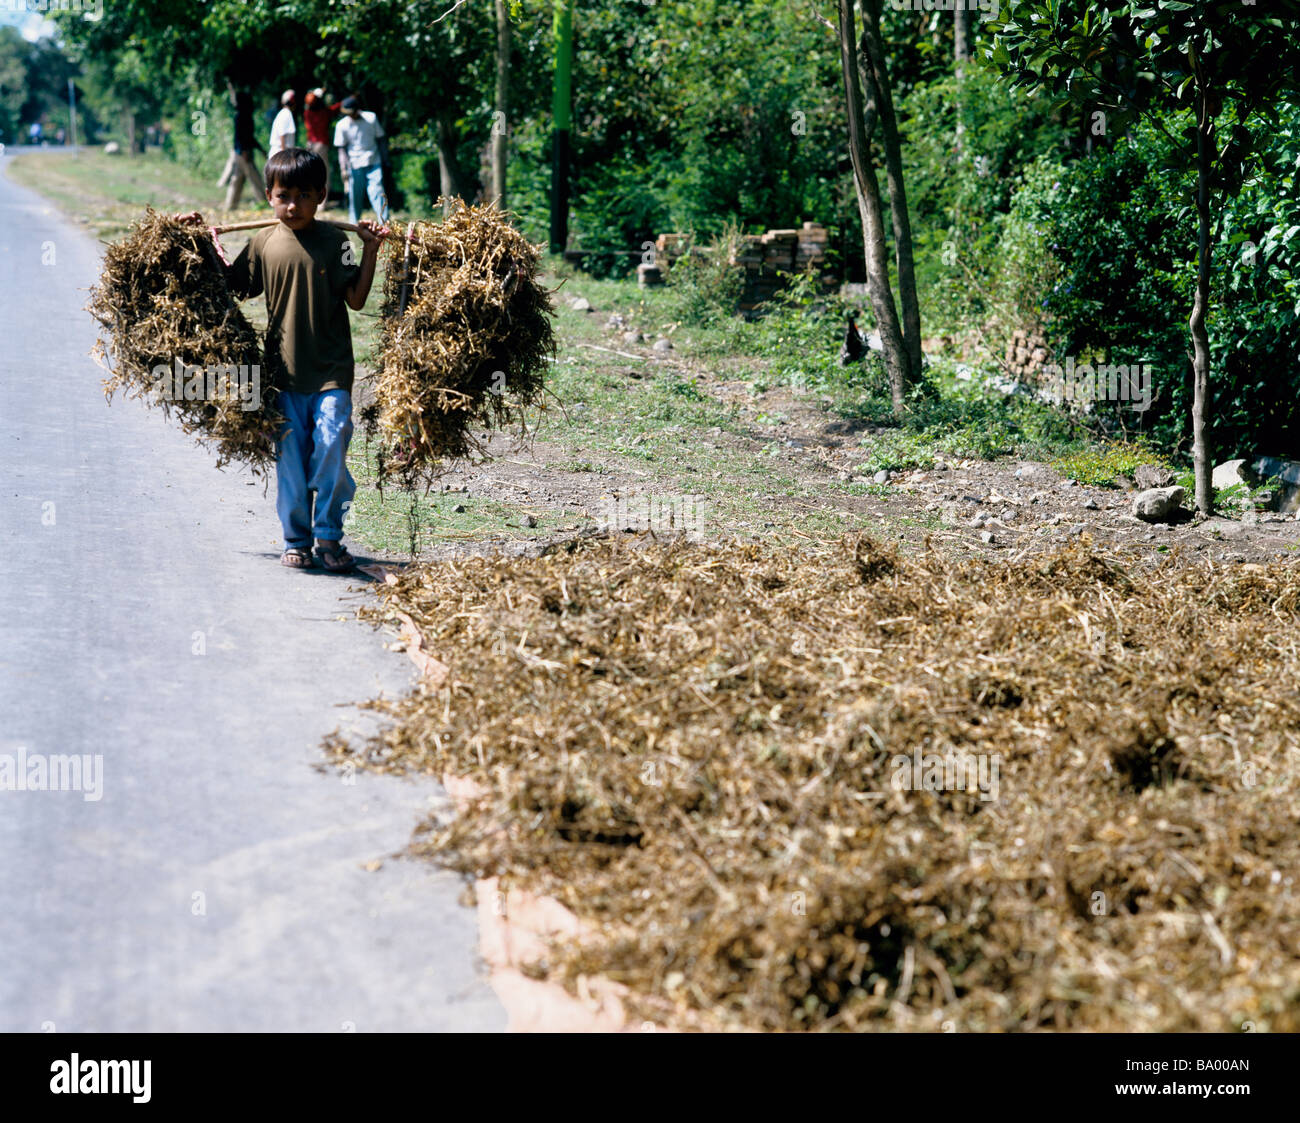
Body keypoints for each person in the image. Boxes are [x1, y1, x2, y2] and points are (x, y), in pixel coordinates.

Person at [179, 148, 390, 571]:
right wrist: (200, 242)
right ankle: (297, 539)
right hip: (282, 377)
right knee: (291, 466)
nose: (293, 205)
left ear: (322, 196)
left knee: (331, 448)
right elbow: (234, 286)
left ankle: (329, 536)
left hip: (332, 373)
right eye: (283, 195)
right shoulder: (262, 243)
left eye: (304, 195)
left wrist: (371, 250)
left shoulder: (337, 242)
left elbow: (357, 298)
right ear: (269, 196)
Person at [333, 96, 389, 225]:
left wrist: (385, 159)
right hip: (354, 165)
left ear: (357, 110)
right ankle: (354, 224)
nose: (350, 116)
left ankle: (385, 223)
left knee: (378, 193)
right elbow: (341, 149)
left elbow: (381, 139)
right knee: (355, 197)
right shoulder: (342, 125)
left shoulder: (371, 118)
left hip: (373, 161)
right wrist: (343, 169)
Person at [222, 86, 266, 210]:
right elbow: (240, 137)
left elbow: (250, 137)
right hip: (243, 153)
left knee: (237, 180)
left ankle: (230, 205)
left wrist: (259, 149)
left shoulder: (244, 116)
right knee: (255, 178)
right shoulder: (242, 117)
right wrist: (244, 151)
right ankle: (262, 202)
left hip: (240, 152)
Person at [301, 88, 337, 211]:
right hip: (321, 145)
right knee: (324, 173)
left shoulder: (307, 113)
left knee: (311, 173)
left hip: (310, 144)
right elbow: (334, 109)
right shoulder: (324, 112)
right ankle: (323, 204)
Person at [268, 89, 297, 154]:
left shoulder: (283, 113)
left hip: (279, 152)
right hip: (280, 153)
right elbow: (282, 134)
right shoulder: (287, 114)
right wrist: (284, 154)